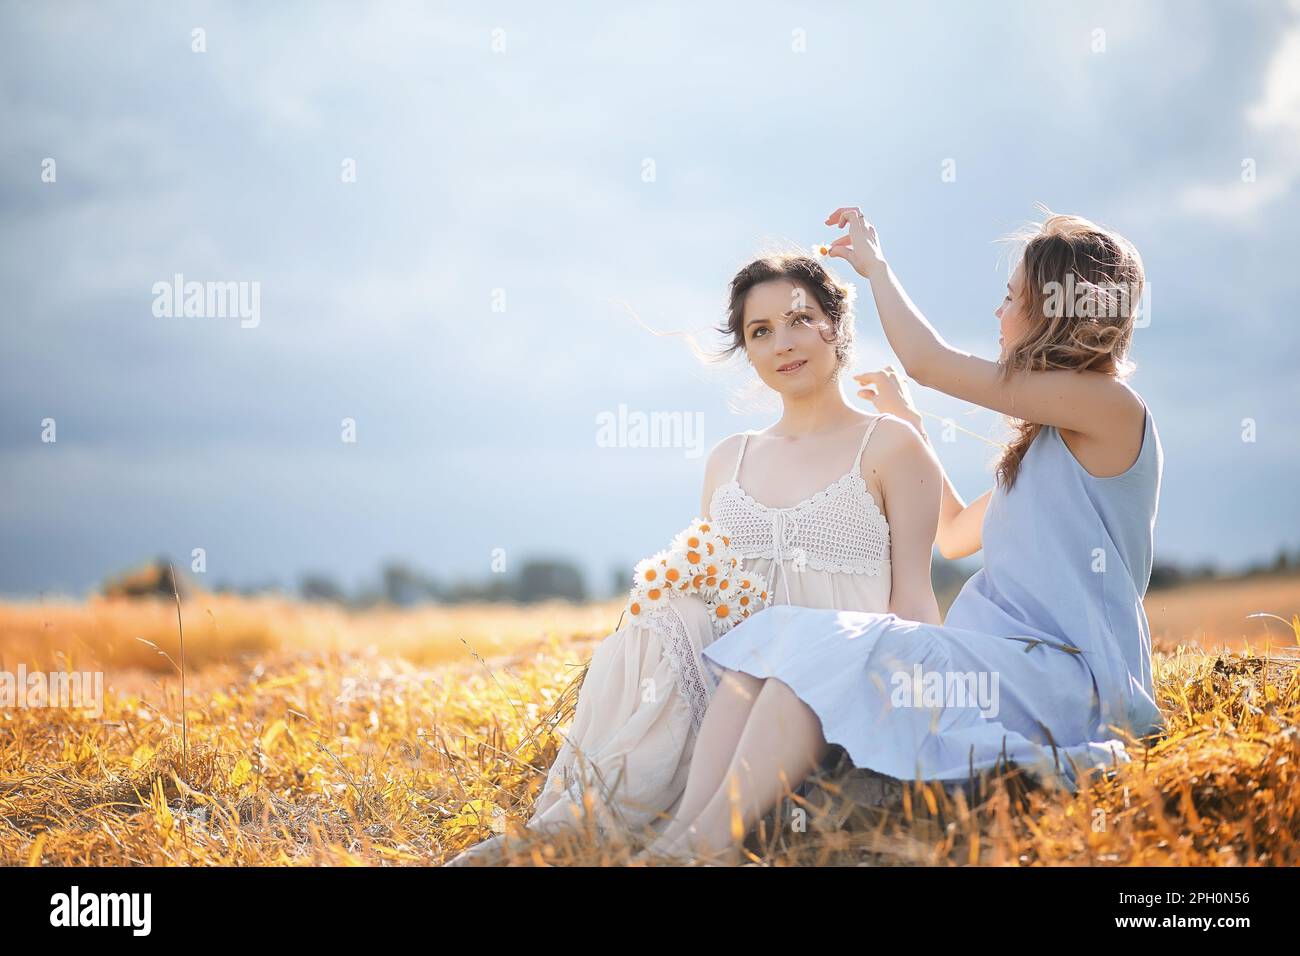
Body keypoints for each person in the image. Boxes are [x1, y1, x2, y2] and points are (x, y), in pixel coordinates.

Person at [642, 206, 1165, 863]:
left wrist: (875, 267)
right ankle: (681, 837)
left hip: (1064, 680)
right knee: (779, 652)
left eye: (1011, 299)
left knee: (813, 640)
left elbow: (926, 359)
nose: (1000, 314)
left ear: (1057, 311)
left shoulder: (1114, 409)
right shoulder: (1046, 447)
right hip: (997, 663)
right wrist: (912, 424)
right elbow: (953, 535)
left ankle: (705, 845)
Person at [443, 251, 943, 864]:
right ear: (746, 351)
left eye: (798, 319)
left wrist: (923, 711)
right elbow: (711, 587)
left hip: (837, 682)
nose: (782, 343)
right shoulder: (729, 458)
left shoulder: (891, 445)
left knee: (786, 661)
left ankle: (691, 844)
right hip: (734, 687)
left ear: (834, 326)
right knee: (665, 621)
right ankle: (608, 828)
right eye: (760, 332)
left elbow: (914, 597)